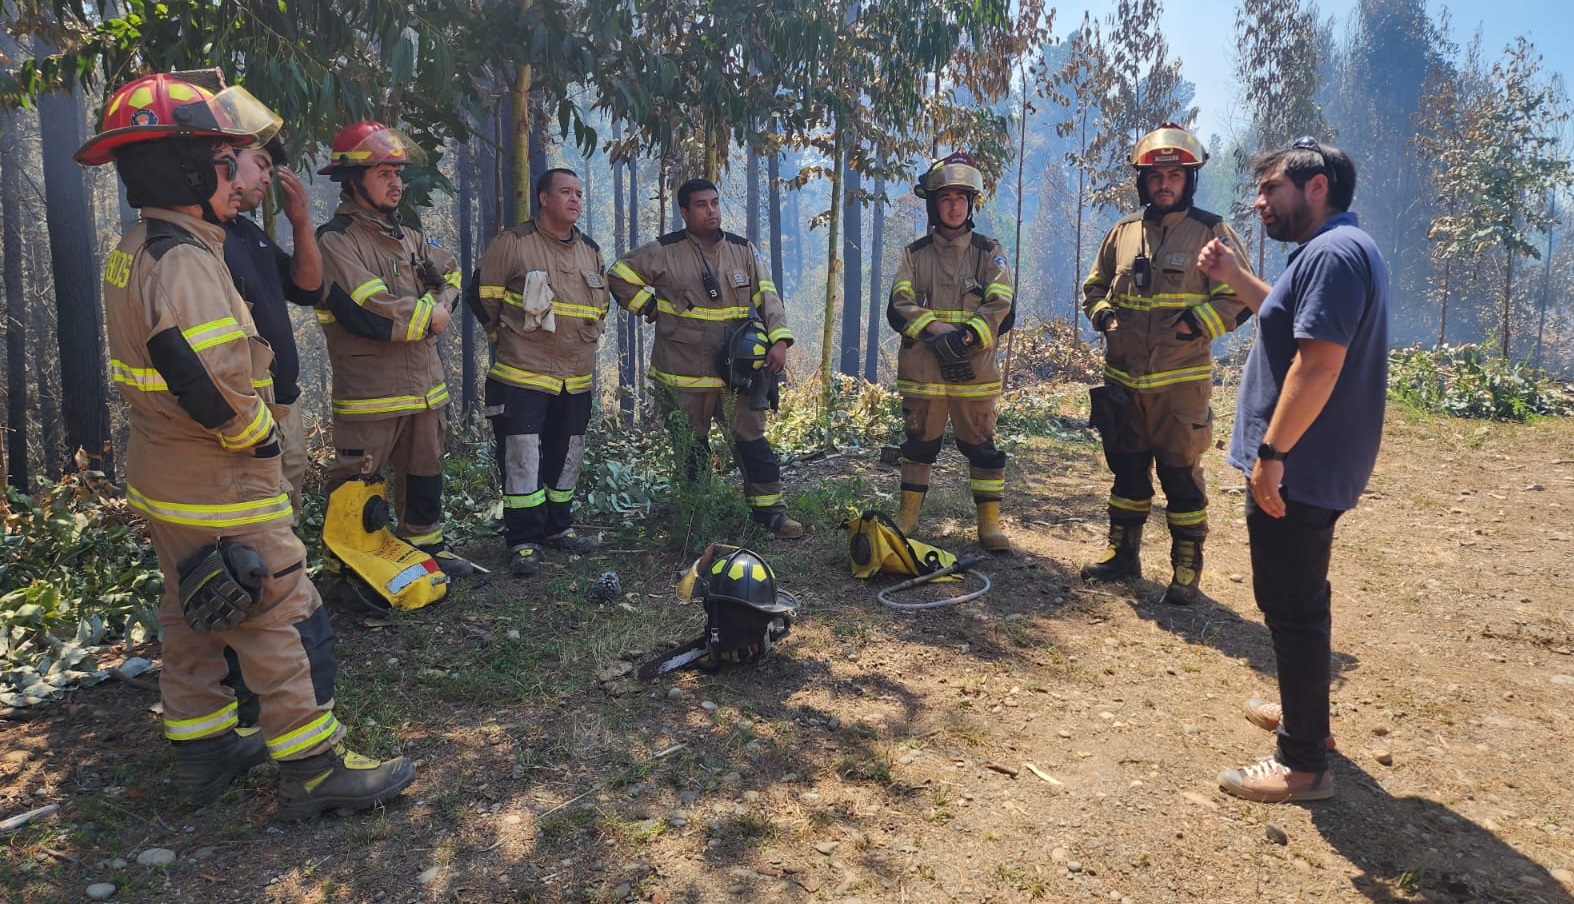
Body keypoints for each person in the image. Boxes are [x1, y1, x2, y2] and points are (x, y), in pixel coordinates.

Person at [76, 73, 415, 817]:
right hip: (219, 481)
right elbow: (213, 379)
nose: (236, 177)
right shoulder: (186, 261)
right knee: (277, 608)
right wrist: (258, 440)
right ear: (187, 169)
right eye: (223, 162)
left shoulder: (138, 245)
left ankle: (203, 752)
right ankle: (316, 769)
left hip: (165, 475)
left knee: (191, 609)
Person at [1199, 138, 1389, 802]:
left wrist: (1272, 455)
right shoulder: (1332, 251)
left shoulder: (1333, 255)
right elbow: (1284, 318)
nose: (1258, 202)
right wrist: (1234, 276)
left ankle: (1302, 765)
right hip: (1309, 464)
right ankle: (1305, 714)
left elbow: (1319, 363)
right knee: (1301, 597)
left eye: (1270, 188)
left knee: (1291, 604)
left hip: (1298, 467)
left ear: (1317, 188)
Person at [1080, 124, 1254, 605]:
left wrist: (1195, 323)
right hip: (1124, 385)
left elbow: (1241, 297)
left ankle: (1185, 566)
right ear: (1143, 181)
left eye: (1175, 176)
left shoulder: (1212, 233)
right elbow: (1093, 289)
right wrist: (1105, 316)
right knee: (1127, 474)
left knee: (1180, 478)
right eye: (1156, 177)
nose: (1164, 184)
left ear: (1189, 179)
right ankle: (1122, 555)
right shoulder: (1122, 233)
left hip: (1180, 390)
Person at [314, 120, 476, 577]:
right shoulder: (336, 240)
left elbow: (450, 273)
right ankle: (350, 568)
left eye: (398, 174)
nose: (396, 183)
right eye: (383, 173)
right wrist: (430, 315)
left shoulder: (408, 235)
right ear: (353, 180)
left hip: (424, 389)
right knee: (358, 484)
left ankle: (425, 549)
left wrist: (439, 304)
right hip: (372, 394)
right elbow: (366, 309)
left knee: (425, 472)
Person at [607, 178, 802, 539]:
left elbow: (768, 296)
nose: (711, 211)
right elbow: (618, 276)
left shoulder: (743, 250)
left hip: (738, 374)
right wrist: (647, 305)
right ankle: (698, 521)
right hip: (683, 373)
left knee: (753, 444)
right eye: (701, 205)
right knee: (692, 452)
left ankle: (772, 516)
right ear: (684, 212)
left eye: (714, 203)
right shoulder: (664, 251)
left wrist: (779, 340)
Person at [474, 168, 608, 576]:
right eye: (566, 192)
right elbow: (483, 297)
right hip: (522, 376)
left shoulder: (590, 250)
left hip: (576, 378)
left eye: (579, 193)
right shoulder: (514, 243)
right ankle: (523, 541)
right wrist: (506, 336)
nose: (575, 199)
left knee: (567, 457)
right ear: (543, 198)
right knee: (522, 460)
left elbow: (600, 306)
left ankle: (558, 528)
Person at [885, 152, 1016, 553]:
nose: (954, 206)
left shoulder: (988, 252)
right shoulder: (914, 254)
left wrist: (969, 337)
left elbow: (1002, 304)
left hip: (973, 373)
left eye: (961, 198)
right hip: (923, 373)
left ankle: (989, 526)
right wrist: (937, 328)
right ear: (933, 204)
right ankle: (908, 518)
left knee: (981, 447)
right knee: (919, 445)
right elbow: (899, 304)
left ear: (971, 203)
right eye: (946, 198)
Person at [222, 134, 321, 517]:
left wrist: (301, 222)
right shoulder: (202, 241)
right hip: (248, 412)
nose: (268, 178)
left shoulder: (248, 233)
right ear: (225, 160)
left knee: (286, 517)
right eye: (261, 165)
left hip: (284, 403)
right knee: (261, 524)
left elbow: (307, 288)